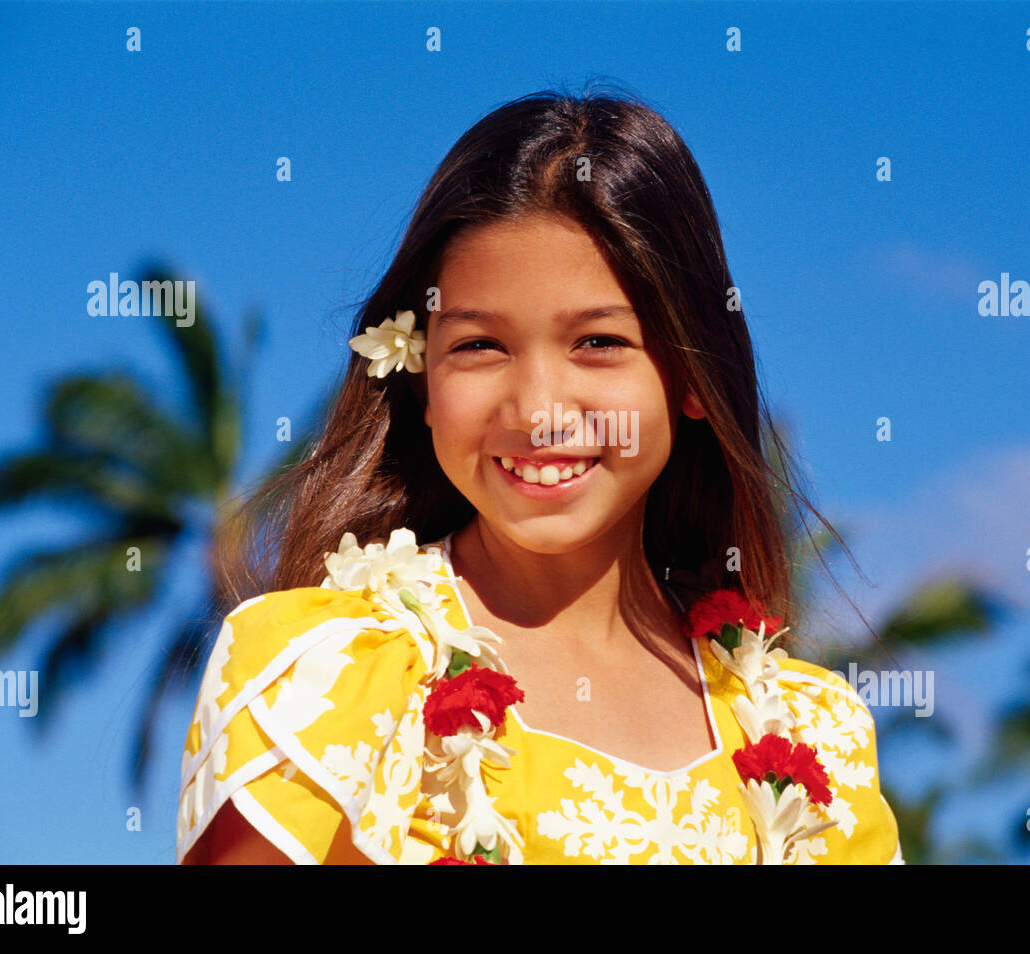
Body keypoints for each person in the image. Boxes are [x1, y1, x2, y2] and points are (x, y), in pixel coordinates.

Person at [177, 85, 903, 865]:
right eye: (480, 346)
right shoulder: (325, 675)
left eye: (598, 343)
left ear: (694, 375)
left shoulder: (809, 736)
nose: (538, 409)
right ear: (420, 380)